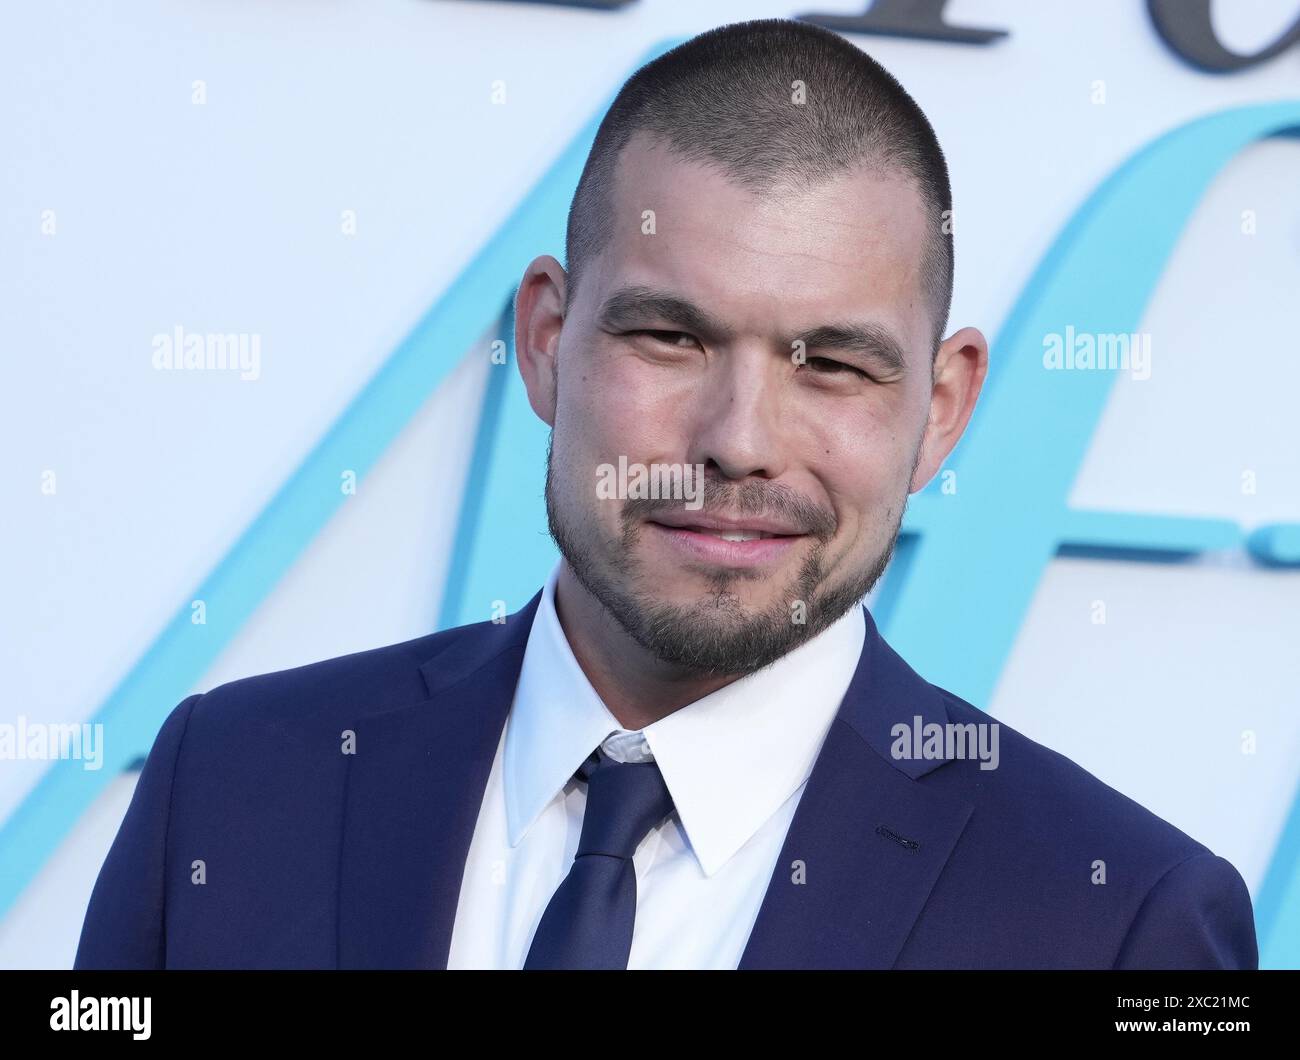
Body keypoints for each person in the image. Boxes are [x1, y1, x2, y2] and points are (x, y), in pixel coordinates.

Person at [75, 18, 1257, 970]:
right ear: (545, 338)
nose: (739, 442)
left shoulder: (1119, 923)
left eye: (834, 363)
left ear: (940, 409)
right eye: (669, 337)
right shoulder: (232, 782)